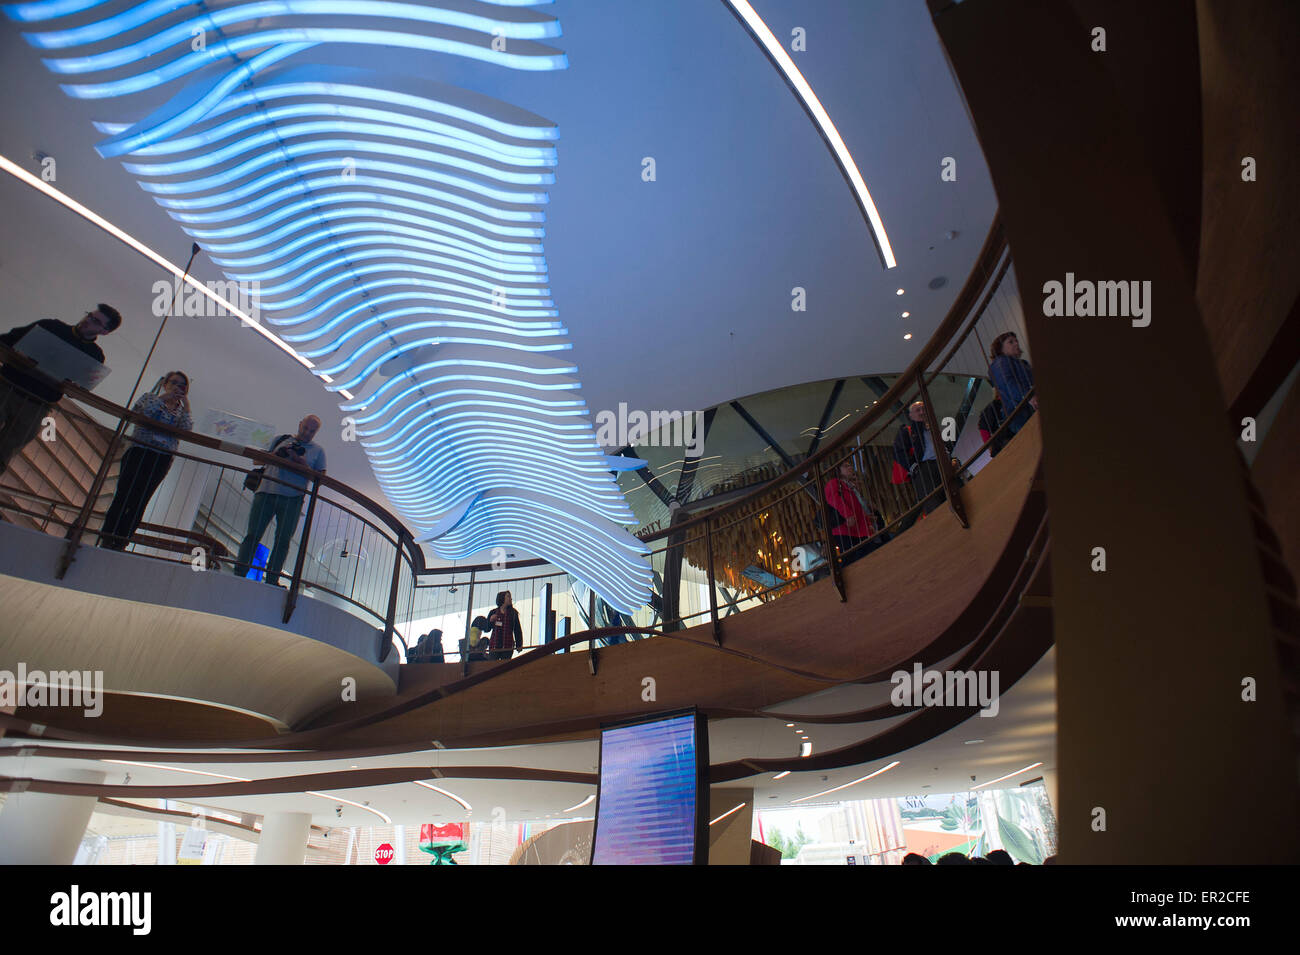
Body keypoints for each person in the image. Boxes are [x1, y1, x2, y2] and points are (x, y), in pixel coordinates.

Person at [0, 306, 121, 474]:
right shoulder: (50, 326)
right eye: (90, 315)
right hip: (7, 386)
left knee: (6, 451)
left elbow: (80, 387)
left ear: (104, 331)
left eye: (95, 321)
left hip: (37, 405)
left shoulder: (95, 356)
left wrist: (76, 387)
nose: (88, 320)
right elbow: (9, 339)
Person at [98, 371, 193, 550]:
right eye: (173, 383)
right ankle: (107, 534)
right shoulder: (150, 398)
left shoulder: (181, 411)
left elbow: (186, 429)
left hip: (161, 458)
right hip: (139, 451)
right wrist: (164, 397)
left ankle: (122, 539)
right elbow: (145, 413)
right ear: (165, 383)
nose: (177, 387)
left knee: (141, 500)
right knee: (124, 494)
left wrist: (186, 404)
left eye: (182, 385)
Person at [232, 414, 326, 585]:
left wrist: (301, 463)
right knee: (252, 535)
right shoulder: (280, 440)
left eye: (312, 431)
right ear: (299, 424)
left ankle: (272, 579)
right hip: (266, 492)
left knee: (283, 541)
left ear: (316, 432)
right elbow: (256, 460)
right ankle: (239, 573)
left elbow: (320, 480)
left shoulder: (318, 451)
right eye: (305, 428)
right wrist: (277, 455)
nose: (307, 433)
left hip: (293, 499)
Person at [892, 401, 960, 529]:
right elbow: (898, 451)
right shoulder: (908, 431)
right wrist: (914, 467)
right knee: (933, 503)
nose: (922, 412)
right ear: (911, 415)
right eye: (918, 410)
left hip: (944, 464)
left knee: (957, 493)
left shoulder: (935, 428)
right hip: (925, 468)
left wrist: (953, 459)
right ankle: (942, 530)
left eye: (923, 409)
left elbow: (945, 447)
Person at [823, 458, 888, 566]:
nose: (850, 467)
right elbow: (834, 499)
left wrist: (867, 519)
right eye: (846, 466)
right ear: (838, 471)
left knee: (867, 558)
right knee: (853, 559)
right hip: (846, 530)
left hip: (859, 530)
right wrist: (848, 515)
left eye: (850, 465)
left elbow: (857, 507)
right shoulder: (834, 483)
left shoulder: (850, 487)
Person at [988, 332, 1037, 436]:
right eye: (1010, 342)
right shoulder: (1000, 362)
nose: (1016, 343)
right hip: (1019, 412)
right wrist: (1028, 397)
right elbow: (1007, 384)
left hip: (1029, 406)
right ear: (1000, 349)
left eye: (1016, 341)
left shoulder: (1023, 363)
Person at [487, 590, 522, 660]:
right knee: (492, 666)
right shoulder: (493, 612)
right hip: (494, 646)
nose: (510, 599)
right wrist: (490, 620)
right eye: (508, 597)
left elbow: (517, 629)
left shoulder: (513, 613)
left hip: (507, 646)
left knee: (504, 667)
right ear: (502, 598)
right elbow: (487, 628)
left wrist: (519, 644)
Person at [977, 390, 1010, 458]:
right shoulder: (992, 407)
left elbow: (983, 427)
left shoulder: (993, 407)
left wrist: (991, 448)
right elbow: (983, 428)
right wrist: (991, 448)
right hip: (1004, 439)